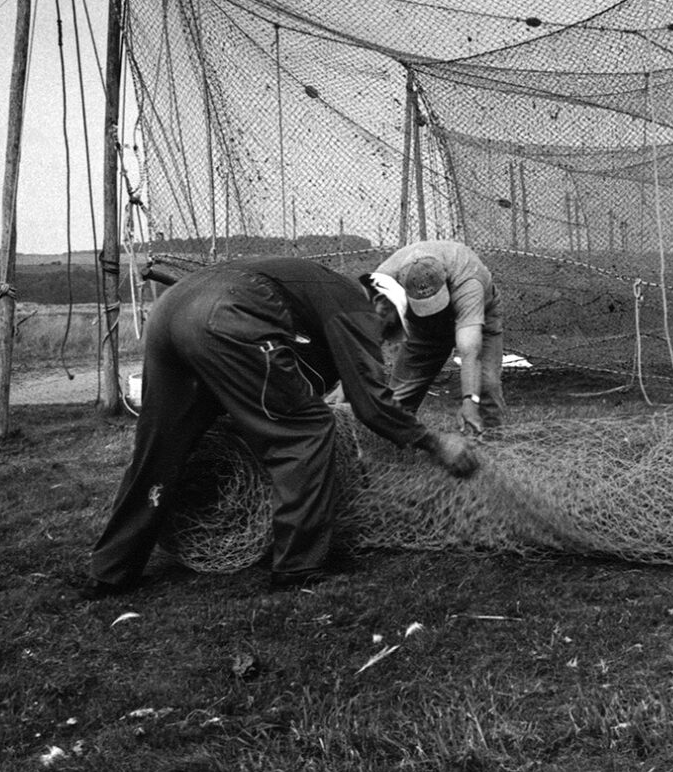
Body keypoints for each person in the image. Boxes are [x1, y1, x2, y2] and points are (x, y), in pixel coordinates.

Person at [83, 256, 478, 597]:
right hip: (224, 314)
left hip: (171, 310)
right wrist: (435, 442)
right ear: (383, 304)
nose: (386, 341)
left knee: (161, 444)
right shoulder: (358, 305)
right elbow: (371, 402)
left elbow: (297, 372)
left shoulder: (321, 287)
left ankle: (111, 569)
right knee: (307, 430)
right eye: (391, 330)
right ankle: (298, 567)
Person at [366, 238, 504, 437]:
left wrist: (469, 400)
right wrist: (350, 380)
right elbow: (369, 334)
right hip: (423, 328)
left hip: (480, 313)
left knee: (486, 385)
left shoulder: (468, 281)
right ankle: (400, 440)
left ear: (446, 280)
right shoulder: (384, 281)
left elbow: (470, 351)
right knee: (398, 397)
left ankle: (491, 439)